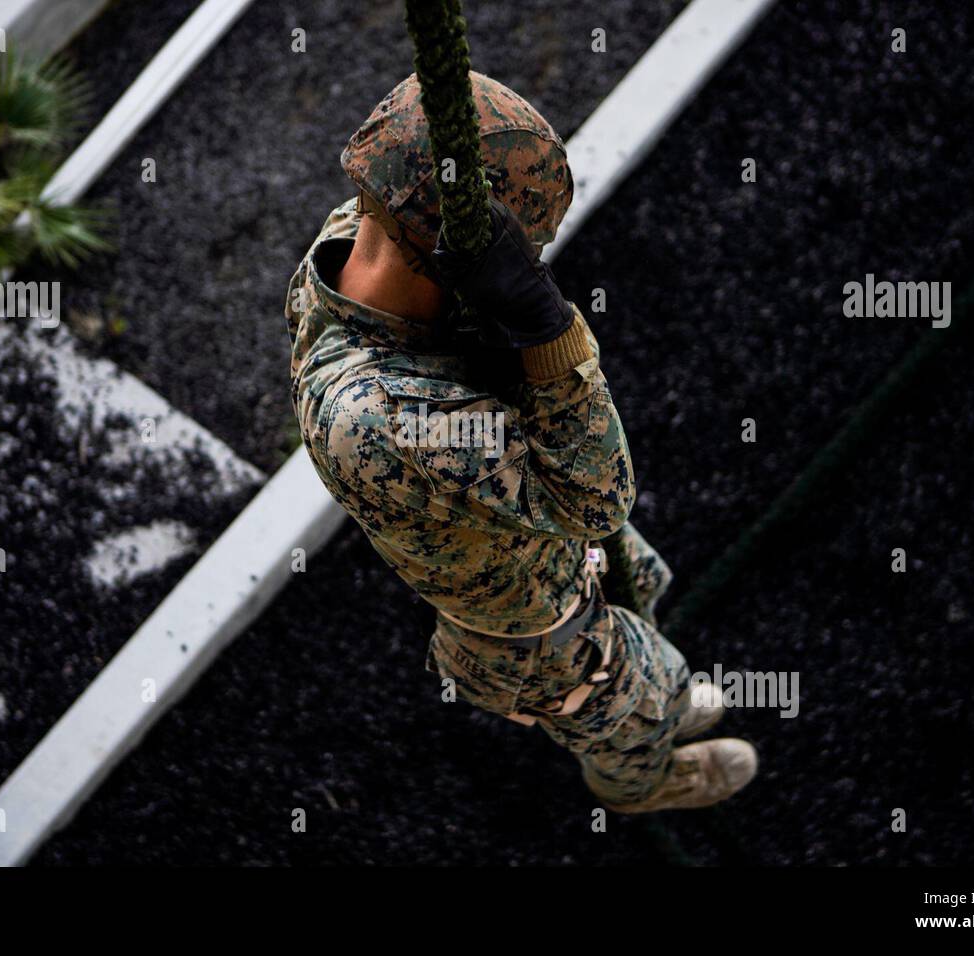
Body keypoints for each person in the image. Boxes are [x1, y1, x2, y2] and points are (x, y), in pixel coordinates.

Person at [285, 71, 757, 811]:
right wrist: (546, 324)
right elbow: (597, 497)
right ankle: (644, 782)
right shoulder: (386, 416)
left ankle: (659, 691)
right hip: (538, 634)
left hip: (540, 550)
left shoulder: (347, 244)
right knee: (620, 716)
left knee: (646, 621)